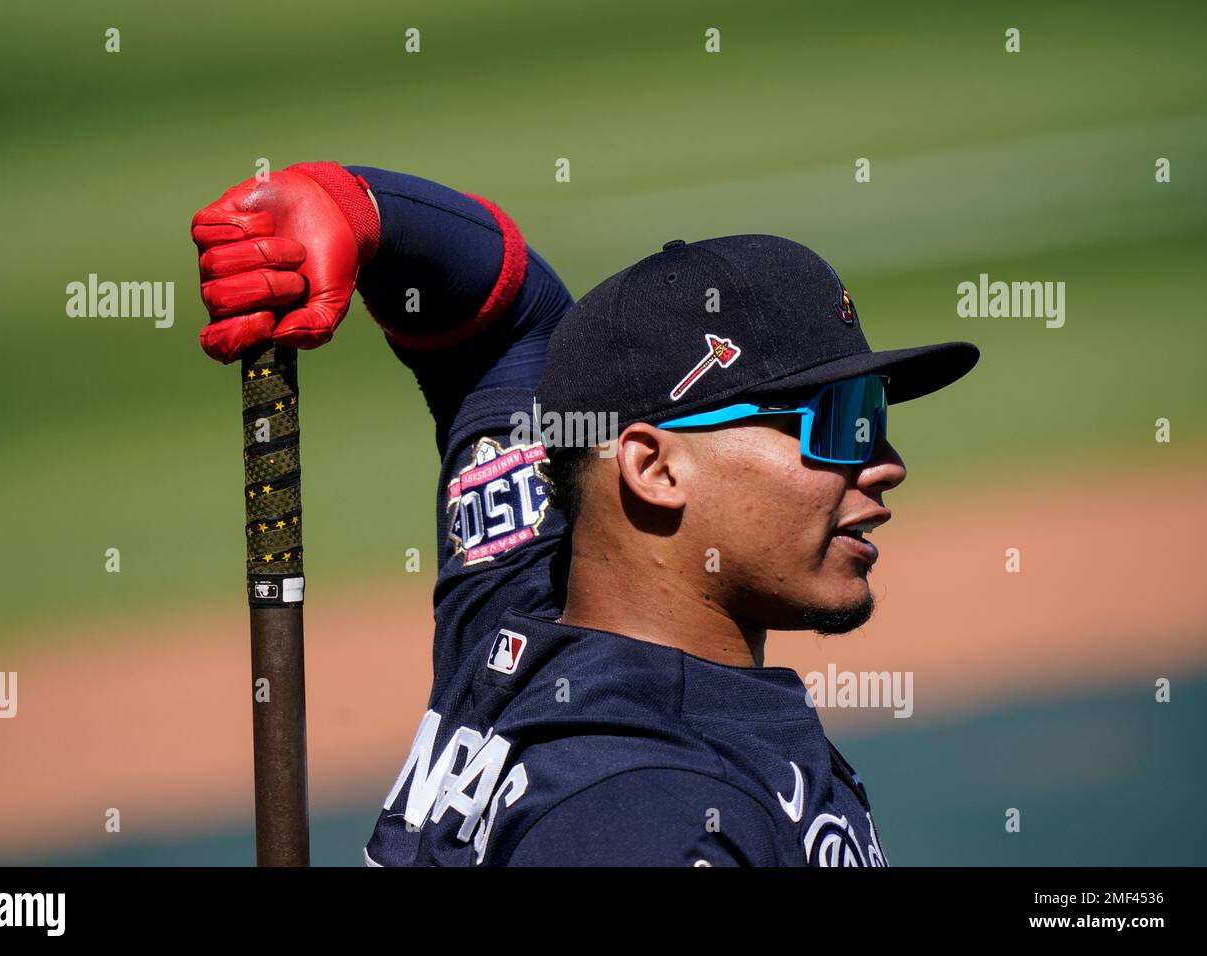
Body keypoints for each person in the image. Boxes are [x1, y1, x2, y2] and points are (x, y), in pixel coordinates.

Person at [190, 162, 979, 866]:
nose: (886, 464)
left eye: (873, 414)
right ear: (653, 468)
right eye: (838, 424)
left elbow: (500, 318)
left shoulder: (517, 603)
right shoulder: (649, 815)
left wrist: (350, 206)